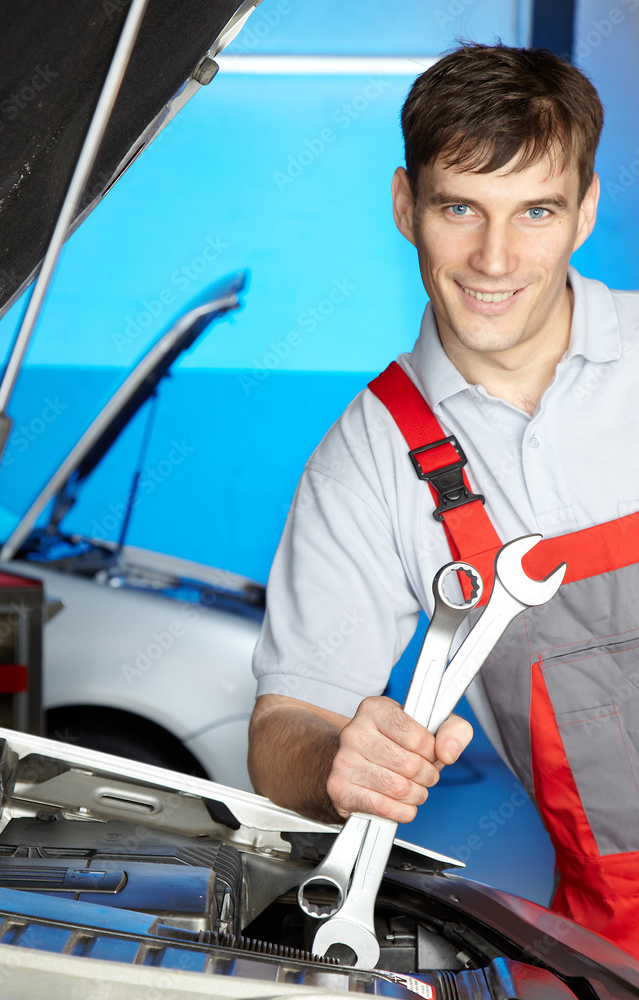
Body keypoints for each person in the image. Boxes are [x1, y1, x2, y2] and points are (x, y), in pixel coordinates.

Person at [248, 42, 639, 959]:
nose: (494, 258)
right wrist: (341, 764)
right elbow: (283, 730)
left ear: (583, 213)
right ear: (405, 207)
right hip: (621, 946)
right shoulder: (370, 457)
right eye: (460, 207)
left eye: (534, 211)